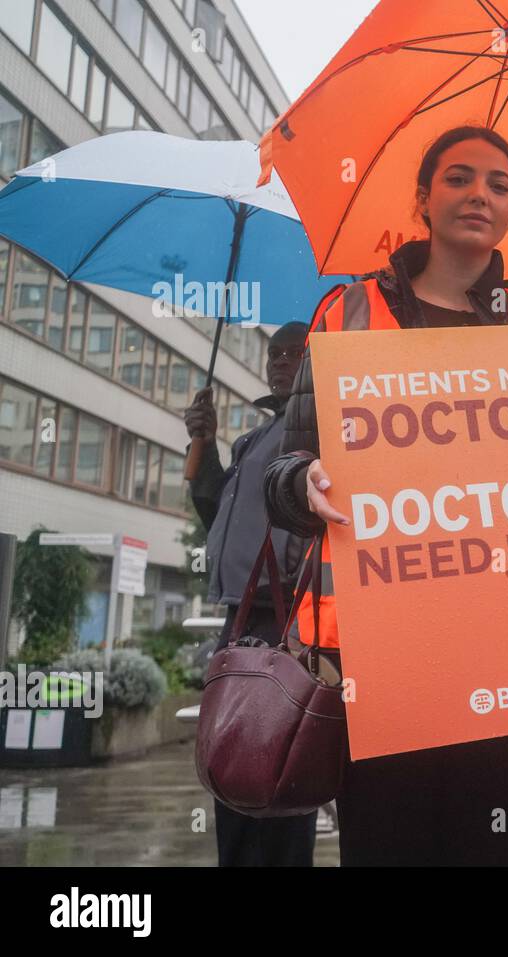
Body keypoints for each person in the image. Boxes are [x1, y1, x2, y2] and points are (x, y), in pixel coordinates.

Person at [263, 125, 508, 866]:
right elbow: (285, 473)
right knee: (384, 849)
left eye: (499, 184)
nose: (478, 195)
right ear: (423, 199)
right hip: (381, 654)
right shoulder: (350, 312)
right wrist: (305, 482)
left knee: (484, 850)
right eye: (459, 178)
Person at [185, 322, 315, 867]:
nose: (280, 361)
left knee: (275, 772)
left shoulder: (313, 430)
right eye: (273, 353)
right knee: (232, 763)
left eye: (294, 353)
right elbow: (218, 513)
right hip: (238, 623)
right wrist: (204, 441)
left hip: (282, 622)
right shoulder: (253, 439)